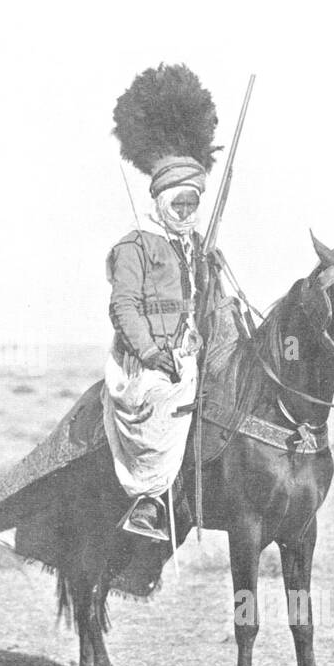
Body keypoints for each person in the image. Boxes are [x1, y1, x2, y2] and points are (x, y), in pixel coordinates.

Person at [104, 63, 225, 542]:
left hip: (193, 350)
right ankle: (149, 500)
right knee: (166, 396)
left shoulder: (201, 249)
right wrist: (152, 351)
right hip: (145, 359)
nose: (186, 212)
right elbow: (124, 308)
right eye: (178, 205)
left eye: (192, 205)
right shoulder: (135, 246)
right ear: (161, 202)